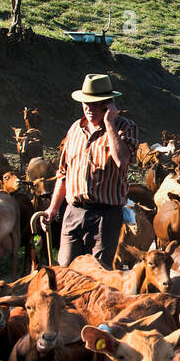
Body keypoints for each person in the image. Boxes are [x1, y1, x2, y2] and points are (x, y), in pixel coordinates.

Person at [45, 73, 138, 268]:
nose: (88, 108)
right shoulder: (74, 130)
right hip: (73, 212)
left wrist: (110, 123)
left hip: (105, 216)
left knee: (98, 274)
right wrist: (53, 209)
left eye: (95, 103)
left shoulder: (125, 128)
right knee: (67, 270)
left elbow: (122, 161)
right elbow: (63, 174)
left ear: (108, 105)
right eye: (85, 102)